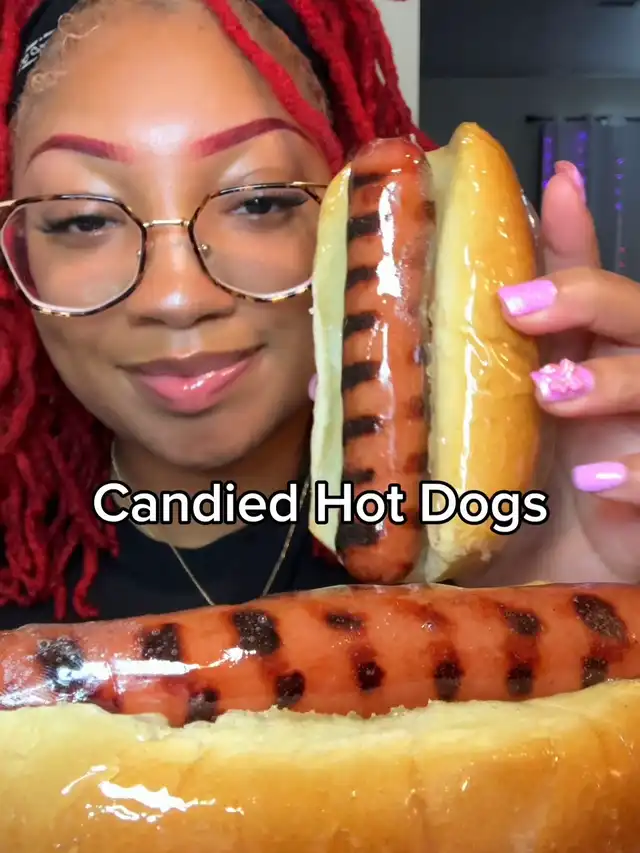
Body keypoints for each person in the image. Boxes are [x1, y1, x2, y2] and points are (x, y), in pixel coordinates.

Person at [0, 0, 638, 632]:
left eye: (259, 202)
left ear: (349, 222)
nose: (178, 297)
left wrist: (575, 606)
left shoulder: (499, 526)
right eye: (82, 219)